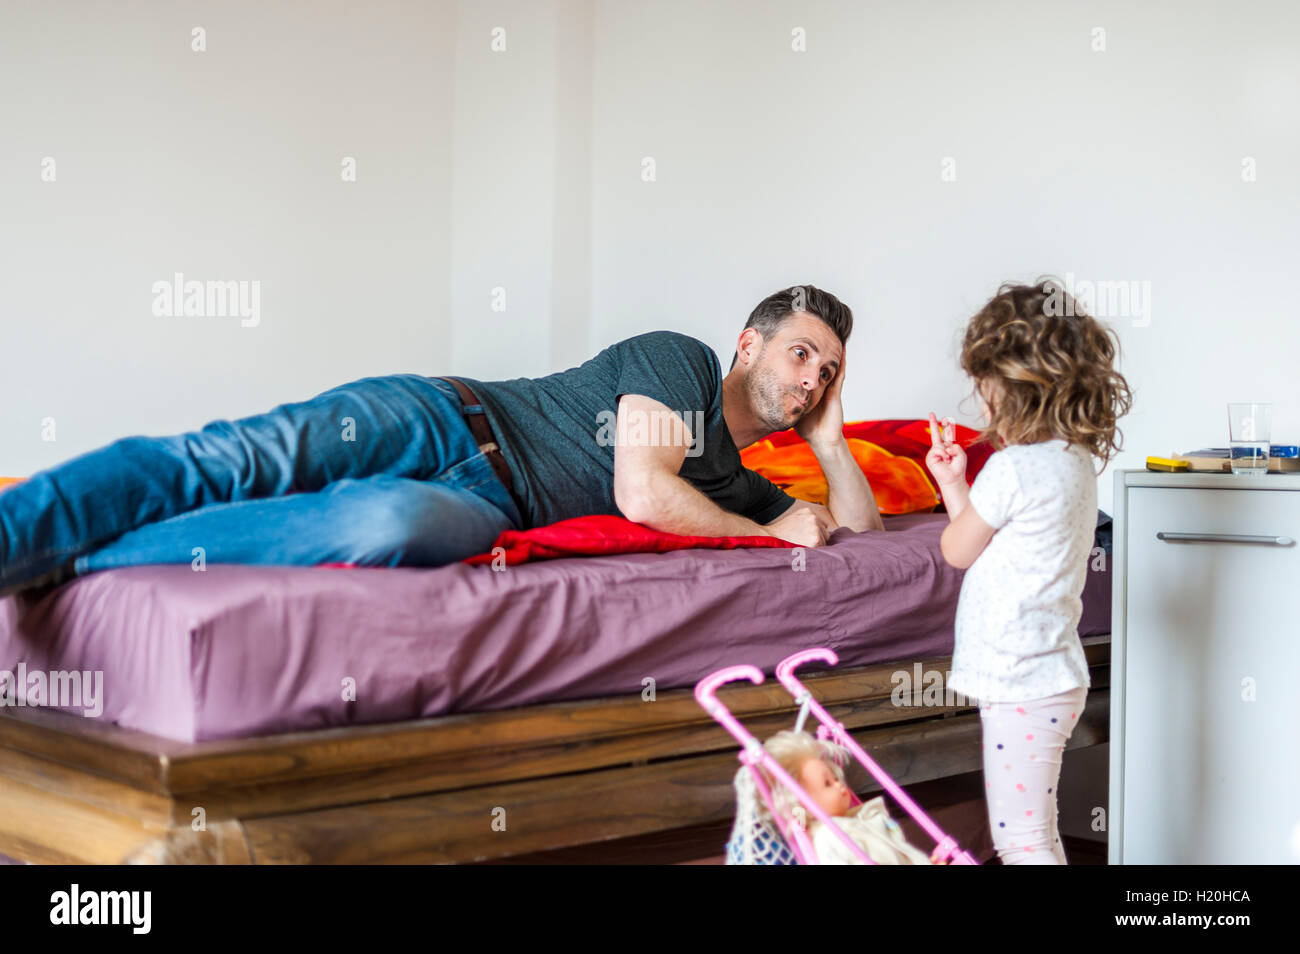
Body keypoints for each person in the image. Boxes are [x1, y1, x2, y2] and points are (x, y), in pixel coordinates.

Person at [0, 285, 884, 598]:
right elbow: (643, 493)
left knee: (384, 527)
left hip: (487, 503)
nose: (811, 377)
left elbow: (869, 543)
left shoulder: (741, 483)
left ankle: (77, 564)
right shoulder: (678, 360)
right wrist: (767, 535)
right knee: (229, 461)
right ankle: (19, 538)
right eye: (801, 352)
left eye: (828, 371)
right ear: (748, 344)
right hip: (442, 415)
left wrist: (832, 440)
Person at [924, 279, 1132, 864]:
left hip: (1022, 681)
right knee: (1033, 834)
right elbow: (992, 544)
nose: (980, 402)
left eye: (984, 387)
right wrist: (953, 481)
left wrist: (962, 485)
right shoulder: (1073, 462)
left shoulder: (1013, 469)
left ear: (1013, 389)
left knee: (1024, 842)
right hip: (1048, 675)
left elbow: (958, 550)